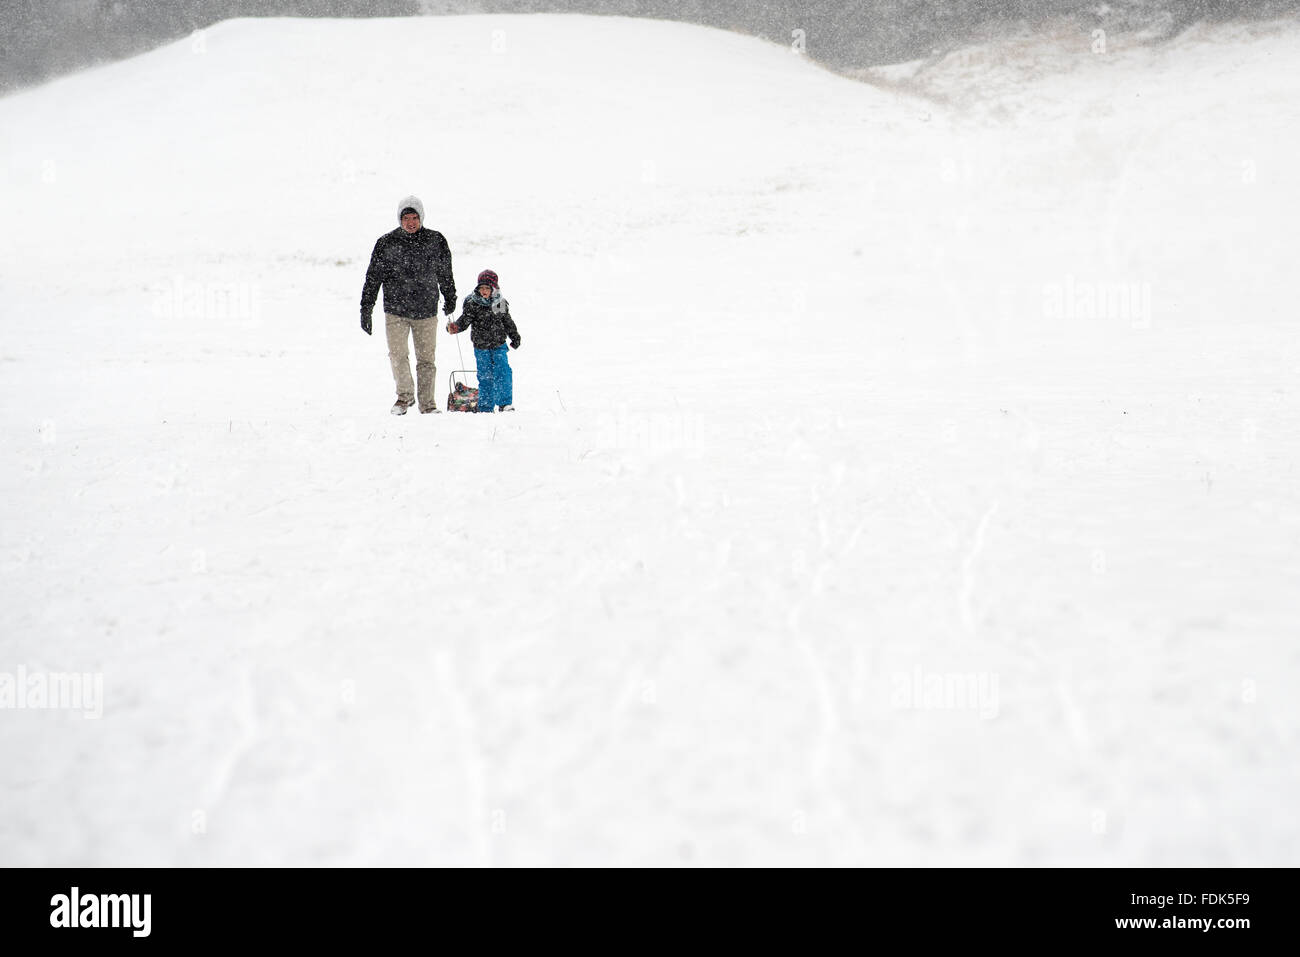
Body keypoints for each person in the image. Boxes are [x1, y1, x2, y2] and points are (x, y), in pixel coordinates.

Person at [359, 195, 456, 414]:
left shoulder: (435, 240)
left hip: (426, 311)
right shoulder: (386, 243)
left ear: (421, 218)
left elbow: (445, 273)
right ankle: (404, 397)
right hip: (396, 310)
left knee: (426, 360)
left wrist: (450, 297)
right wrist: (366, 308)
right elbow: (373, 278)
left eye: (414, 217)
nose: (411, 222)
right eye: (406, 218)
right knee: (397, 355)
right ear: (399, 219)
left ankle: (428, 404)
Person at [446, 269, 520, 412]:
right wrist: (455, 327)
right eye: (482, 288)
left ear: (494, 288)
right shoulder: (473, 303)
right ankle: (486, 406)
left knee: (503, 372)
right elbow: (465, 320)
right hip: (481, 347)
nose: (484, 291)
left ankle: (505, 403)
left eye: (487, 288)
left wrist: (514, 336)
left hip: (499, 345)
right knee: (485, 376)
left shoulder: (499, 303)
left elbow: (507, 322)